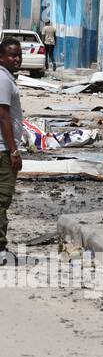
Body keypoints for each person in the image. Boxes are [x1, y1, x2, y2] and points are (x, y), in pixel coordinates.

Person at [0, 37, 24, 263]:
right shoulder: (3, 80)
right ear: (1, 57)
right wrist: (13, 151)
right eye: (12, 55)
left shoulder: (6, 78)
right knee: (1, 199)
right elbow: (4, 115)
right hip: (3, 151)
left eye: (18, 55)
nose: (17, 59)